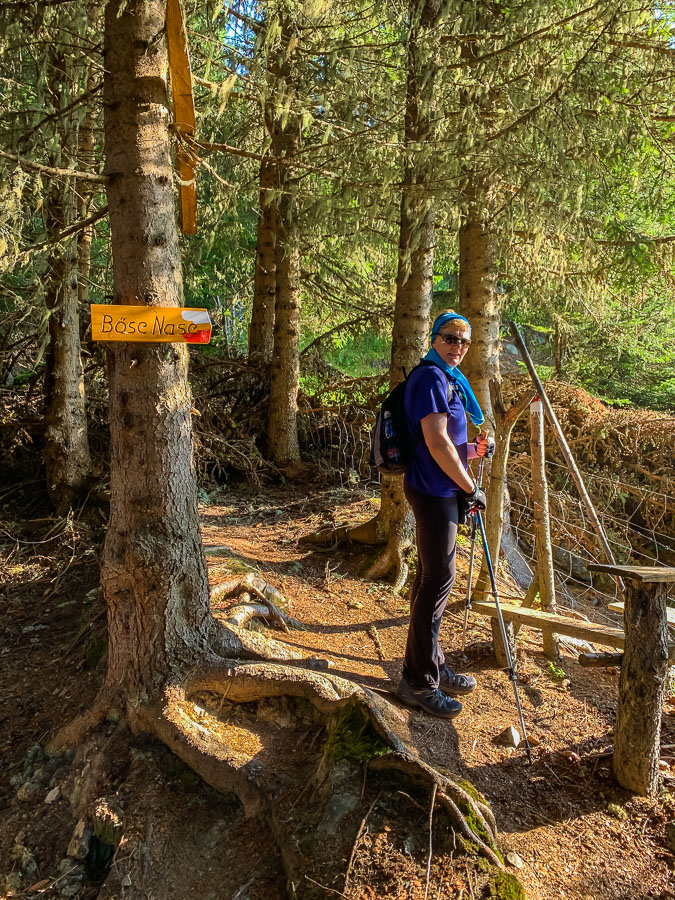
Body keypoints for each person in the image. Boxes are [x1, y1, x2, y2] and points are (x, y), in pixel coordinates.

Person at [396, 310, 491, 719]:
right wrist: (472, 486)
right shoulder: (430, 378)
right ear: (434, 339)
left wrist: (472, 454)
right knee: (438, 581)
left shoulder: (449, 379)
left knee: (430, 579)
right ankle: (417, 681)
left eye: (464, 342)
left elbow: (447, 443)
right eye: (450, 338)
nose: (458, 347)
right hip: (434, 491)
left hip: (444, 487)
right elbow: (435, 444)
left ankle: (431, 665)